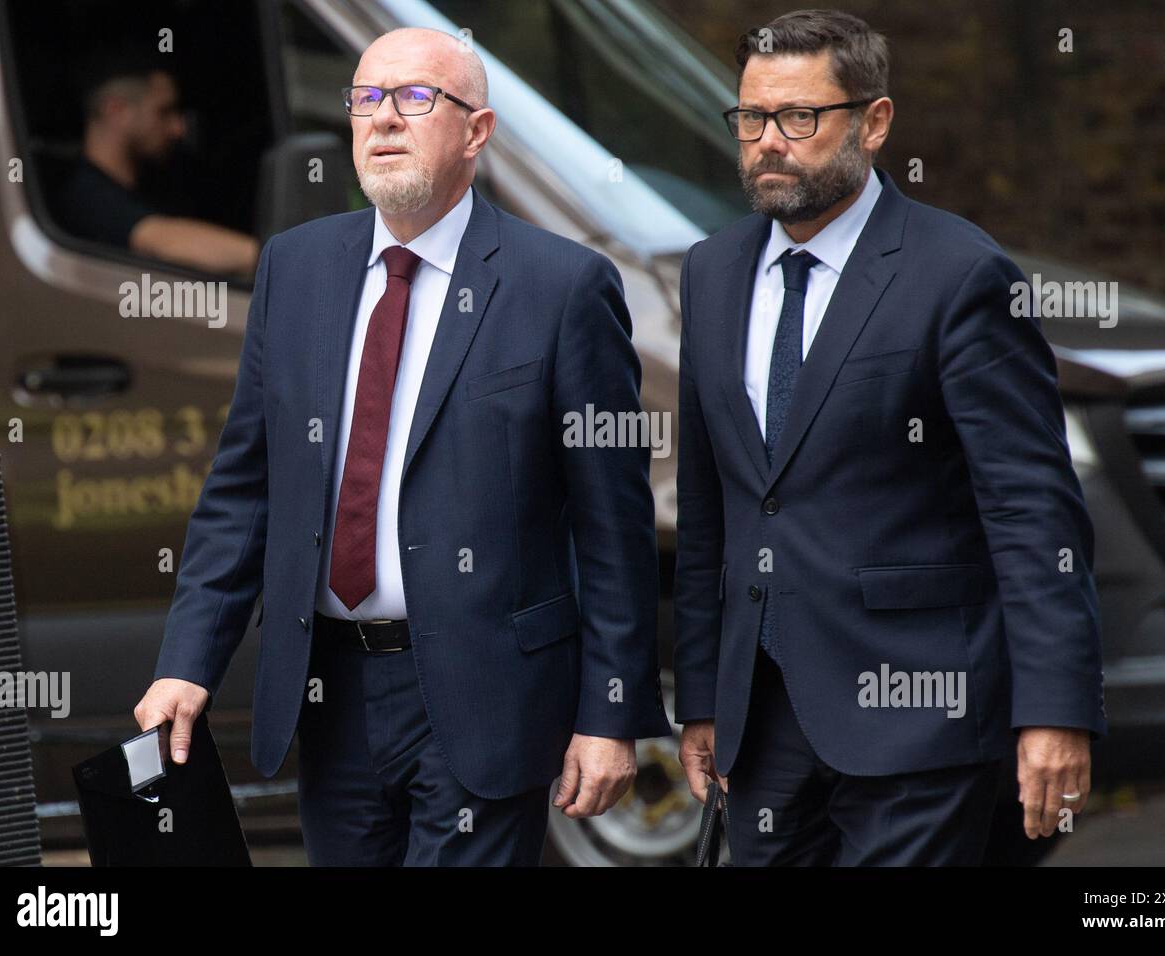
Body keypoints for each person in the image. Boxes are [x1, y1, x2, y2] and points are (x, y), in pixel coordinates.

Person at [134, 27, 668, 865]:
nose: (382, 119)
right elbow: (246, 488)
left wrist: (609, 713)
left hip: (488, 693)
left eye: (415, 98)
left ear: (477, 131)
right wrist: (186, 661)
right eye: (364, 99)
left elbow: (614, 530)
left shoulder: (560, 287)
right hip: (329, 693)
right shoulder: (296, 268)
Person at [673, 8, 1106, 866]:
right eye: (751, 117)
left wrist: (1055, 710)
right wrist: (702, 695)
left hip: (921, 717)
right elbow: (709, 506)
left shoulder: (959, 274)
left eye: (800, 118)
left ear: (874, 122)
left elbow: (1033, 514)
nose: (768, 141)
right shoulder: (711, 270)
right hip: (761, 720)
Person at [53, 57, 258, 277]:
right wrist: (278, 258)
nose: (178, 128)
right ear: (116, 111)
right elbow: (164, 242)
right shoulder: (84, 195)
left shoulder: (155, 183)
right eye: (164, 112)